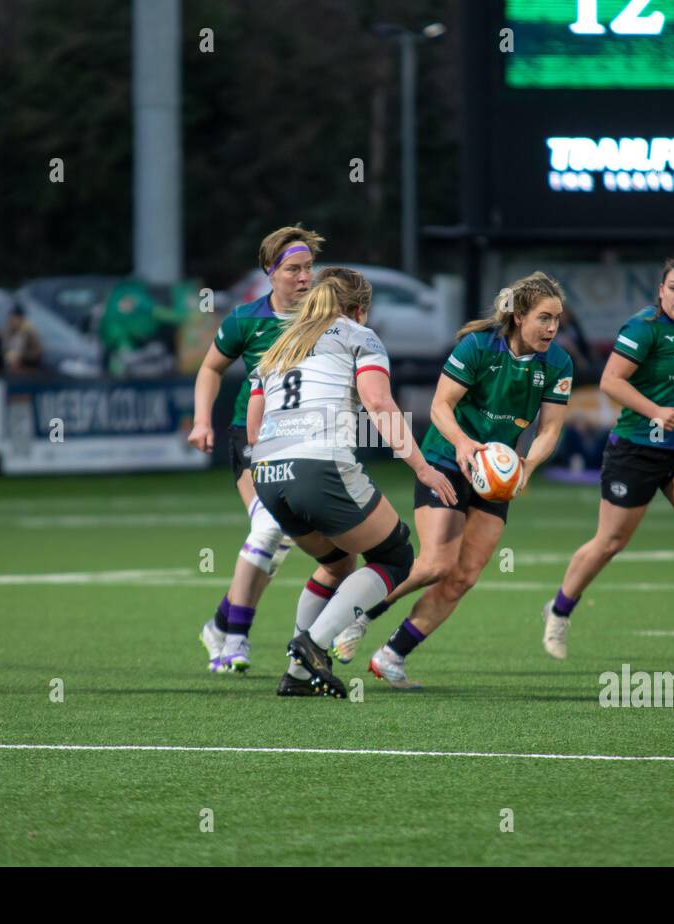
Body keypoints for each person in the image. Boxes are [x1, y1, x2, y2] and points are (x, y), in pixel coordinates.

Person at [331, 273, 573, 689]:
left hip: (496, 475)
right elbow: (441, 405)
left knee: (463, 576)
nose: (552, 328)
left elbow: (550, 429)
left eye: (557, 320)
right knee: (434, 564)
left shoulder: (557, 364)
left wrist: (528, 466)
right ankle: (356, 616)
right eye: (544, 318)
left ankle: (392, 656)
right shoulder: (478, 347)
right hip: (446, 458)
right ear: (518, 316)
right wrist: (463, 444)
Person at [245, 267, 457, 698]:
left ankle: (297, 676)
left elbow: (252, 427)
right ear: (360, 309)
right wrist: (421, 467)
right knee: (394, 555)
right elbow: (379, 403)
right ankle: (313, 645)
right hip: (316, 466)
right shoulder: (360, 335)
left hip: (266, 473)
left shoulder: (279, 342)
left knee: (337, 563)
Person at [540, 255, 674, 660]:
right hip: (635, 448)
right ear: (661, 290)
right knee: (610, 541)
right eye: (673, 288)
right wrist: (655, 412)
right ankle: (559, 610)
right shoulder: (644, 328)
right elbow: (610, 381)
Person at [186, 224, 326, 674]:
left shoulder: (326, 318)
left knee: (278, 545)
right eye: (293, 269)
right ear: (270, 272)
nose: (304, 277)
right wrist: (202, 420)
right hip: (253, 440)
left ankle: (219, 624)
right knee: (267, 532)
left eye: (308, 268)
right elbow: (210, 368)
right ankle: (236, 640)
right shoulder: (247, 319)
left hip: (306, 444)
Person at [3, 304, 43, 373]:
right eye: (11, 317)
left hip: (25, 372)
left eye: (15, 318)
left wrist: (21, 357)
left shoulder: (29, 333)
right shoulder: (7, 332)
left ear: (21, 318)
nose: (12, 320)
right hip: (9, 372)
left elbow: (37, 352)